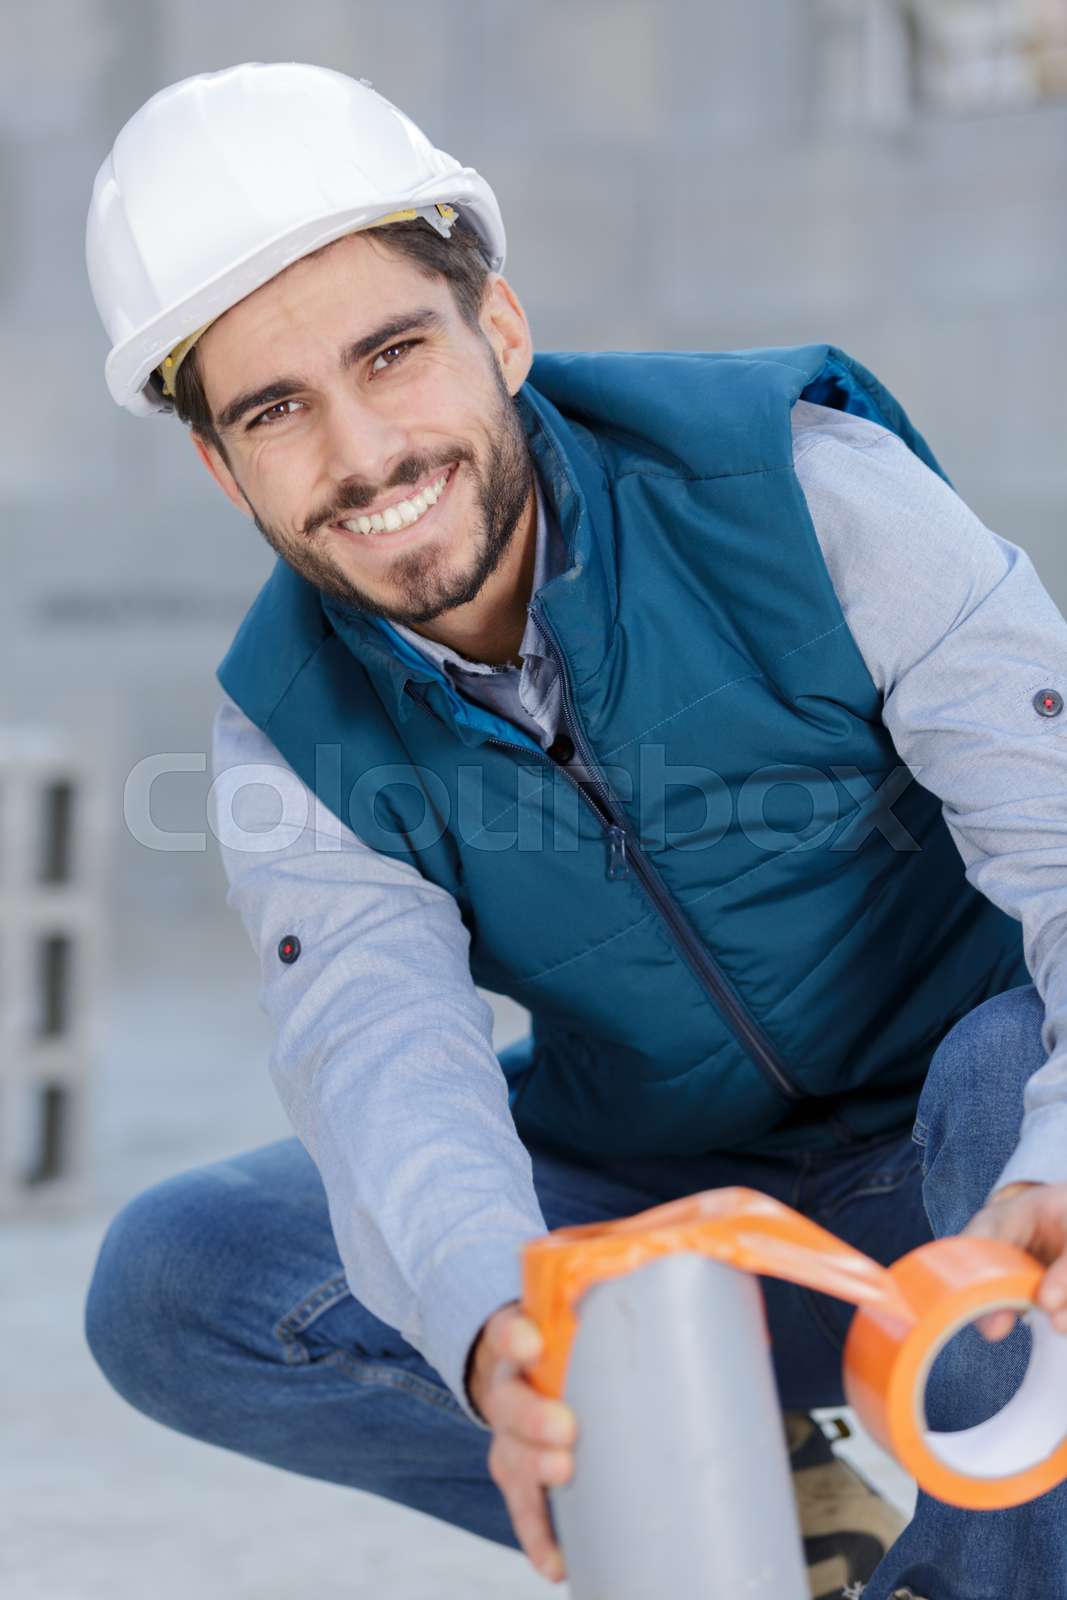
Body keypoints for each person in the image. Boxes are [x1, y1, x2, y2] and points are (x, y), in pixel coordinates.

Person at [82, 62, 1067, 1600]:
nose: (363, 456)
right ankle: (767, 1511)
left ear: (503, 332)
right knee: (182, 1280)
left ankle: (976, 1554)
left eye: (393, 353)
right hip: (681, 1221)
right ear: (223, 468)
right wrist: (501, 1328)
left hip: (980, 1203)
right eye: (278, 411)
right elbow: (384, 1062)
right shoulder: (290, 731)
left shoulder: (802, 495)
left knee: (1019, 1073)